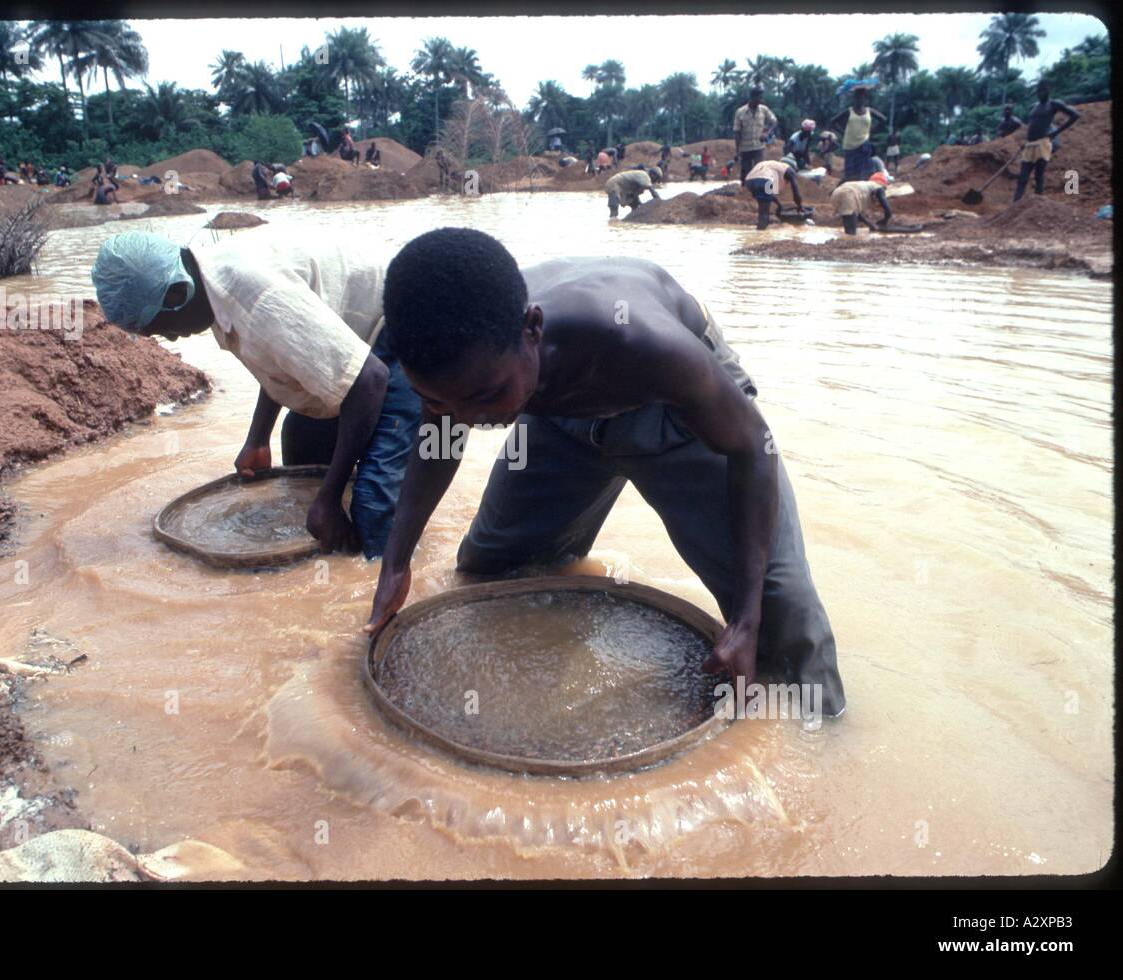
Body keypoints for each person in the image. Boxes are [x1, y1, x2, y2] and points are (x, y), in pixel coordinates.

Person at [364, 227, 847, 719]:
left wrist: (745, 620)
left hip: (671, 411)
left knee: (781, 614)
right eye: (438, 400)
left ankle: (826, 738)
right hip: (552, 413)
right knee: (490, 571)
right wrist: (396, 562)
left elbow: (751, 447)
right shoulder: (457, 362)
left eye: (485, 398)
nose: (467, 418)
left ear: (533, 329)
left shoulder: (644, 342)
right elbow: (441, 439)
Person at [90, 231, 422, 558]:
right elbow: (280, 359)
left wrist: (330, 498)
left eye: (164, 328)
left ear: (178, 294)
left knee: (373, 507)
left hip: (403, 324)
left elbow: (370, 380)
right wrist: (258, 440)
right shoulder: (212, 288)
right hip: (360, 339)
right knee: (303, 443)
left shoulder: (256, 300)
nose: (173, 340)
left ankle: (383, 570)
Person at [1014, 80, 1081, 202]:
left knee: (1038, 176)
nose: (1041, 93)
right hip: (1030, 145)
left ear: (1049, 90)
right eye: (1039, 90)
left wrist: (1056, 132)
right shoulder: (1034, 107)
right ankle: (1013, 207)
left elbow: (1075, 115)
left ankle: (1038, 205)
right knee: (1022, 177)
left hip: (1043, 143)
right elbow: (1031, 125)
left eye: (1044, 90)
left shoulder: (1053, 104)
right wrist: (1025, 142)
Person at [830, 86, 886, 184]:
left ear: (864, 99)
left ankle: (861, 194)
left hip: (864, 145)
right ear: (854, 99)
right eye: (857, 97)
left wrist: (871, 131)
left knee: (863, 172)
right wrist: (843, 133)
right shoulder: (849, 111)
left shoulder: (869, 111)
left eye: (862, 97)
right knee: (850, 174)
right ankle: (839, 190)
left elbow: (883, 120)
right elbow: (832, 122)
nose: (860, 99)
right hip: (849, 146)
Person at [744, 155, 804, 230]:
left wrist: (779, 205)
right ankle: (761, 237)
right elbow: (795, 190)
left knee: (762, 209)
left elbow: (771, 194)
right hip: (764, 180)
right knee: (764, 214)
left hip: (749, 181)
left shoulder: (773, 169)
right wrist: (799, 205)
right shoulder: (789, 169)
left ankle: (760, 231)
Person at [733, 86, 778, 178]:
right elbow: (737, 132)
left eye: (761, 97)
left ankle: (758, 191)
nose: (760, 100)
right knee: (746, 173)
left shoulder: (764, 110)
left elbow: (774, 122)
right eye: (759, 97)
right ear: (753, 97)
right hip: (745, 148)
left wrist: (767, 133)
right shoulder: (740, 112)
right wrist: (737, 151)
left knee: (760, 171)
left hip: (759, 147)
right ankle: (745, 191)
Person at [830, 170, 892, 235]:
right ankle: (850, 241)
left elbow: (857, 214)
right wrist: (885, 220)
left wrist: (870, 224)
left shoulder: (864, 187)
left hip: (835, 194)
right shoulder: (879, 187)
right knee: (851, 233)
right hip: (849, 194)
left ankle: (845, 240)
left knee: (848, 218)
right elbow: (888, 211)